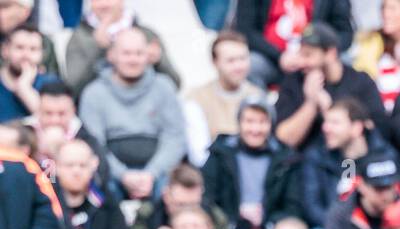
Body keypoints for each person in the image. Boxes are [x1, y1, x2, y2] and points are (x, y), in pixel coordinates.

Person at [78, 27, 187, 202]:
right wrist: (123, 176)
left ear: (148, 56)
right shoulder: (93, 93)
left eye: (139, 53)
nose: (133, 59)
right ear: (111, 55)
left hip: (158, 172)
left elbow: (175, 137)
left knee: (173, 190)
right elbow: (94, 143)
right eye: (126, 53)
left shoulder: (164, 87)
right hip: (110, 172)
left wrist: (151, 173)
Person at [274, 23, 388, 153]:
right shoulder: (294, 81)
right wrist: (311, 104)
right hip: (306, 164)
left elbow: (380, 131)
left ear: (331, 53)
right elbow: (283, 140)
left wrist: (327, 109)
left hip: (351, 163)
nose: (301, 62)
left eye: (308, 55)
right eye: (300, 54)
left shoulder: (360, 82)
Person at [201, 96, 302, 229]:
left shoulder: (285, 158)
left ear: (270, 124)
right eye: (249, 121)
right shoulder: (220, 153)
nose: (255, 129)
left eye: (262, 122)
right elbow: (207, 198)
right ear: (239, 123)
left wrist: (267, 220)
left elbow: (293, 206)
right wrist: (236, 215)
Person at [128, 162, 230, 229]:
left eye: (193, 205)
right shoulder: (148, 214)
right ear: (166, 195)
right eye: (180, 204)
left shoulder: (215, 217)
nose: (186, 211)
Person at [64, 0, 180, 97]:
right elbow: (73, 92)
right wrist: (99, 49)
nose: (104, 4)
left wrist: (158, 63)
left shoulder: (147, 35)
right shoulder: (78, 39)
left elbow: (174, 85)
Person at [301, 98, 382, 229]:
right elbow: (312, 208)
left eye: (335, 123)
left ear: (356, 128)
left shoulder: (382, 156)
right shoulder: (317, 157)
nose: (325, 128)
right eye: (326, 122)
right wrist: (342, 226)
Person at [234, 0, 355, 89]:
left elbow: (345, 33)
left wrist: (319, 55)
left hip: (316, 57)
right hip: (272, 58)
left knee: (344, 63)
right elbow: (245, 30)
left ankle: (336, 115)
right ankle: (259, 115)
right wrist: (279, 56)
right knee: (250, 66)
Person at [183, 31, 261, 167]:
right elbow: (199, 155)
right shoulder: (196, 98)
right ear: (215, 62)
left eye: (243, 58)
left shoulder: (257, 97)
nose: (238, 66)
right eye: (231, 60)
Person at [0, 23, 54, 122]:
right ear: (5, 50)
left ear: (41, 54)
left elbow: (52, 122)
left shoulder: (52, 84)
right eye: (19, 47)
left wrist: (24, 87)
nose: (26, 55)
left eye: (33, 49)